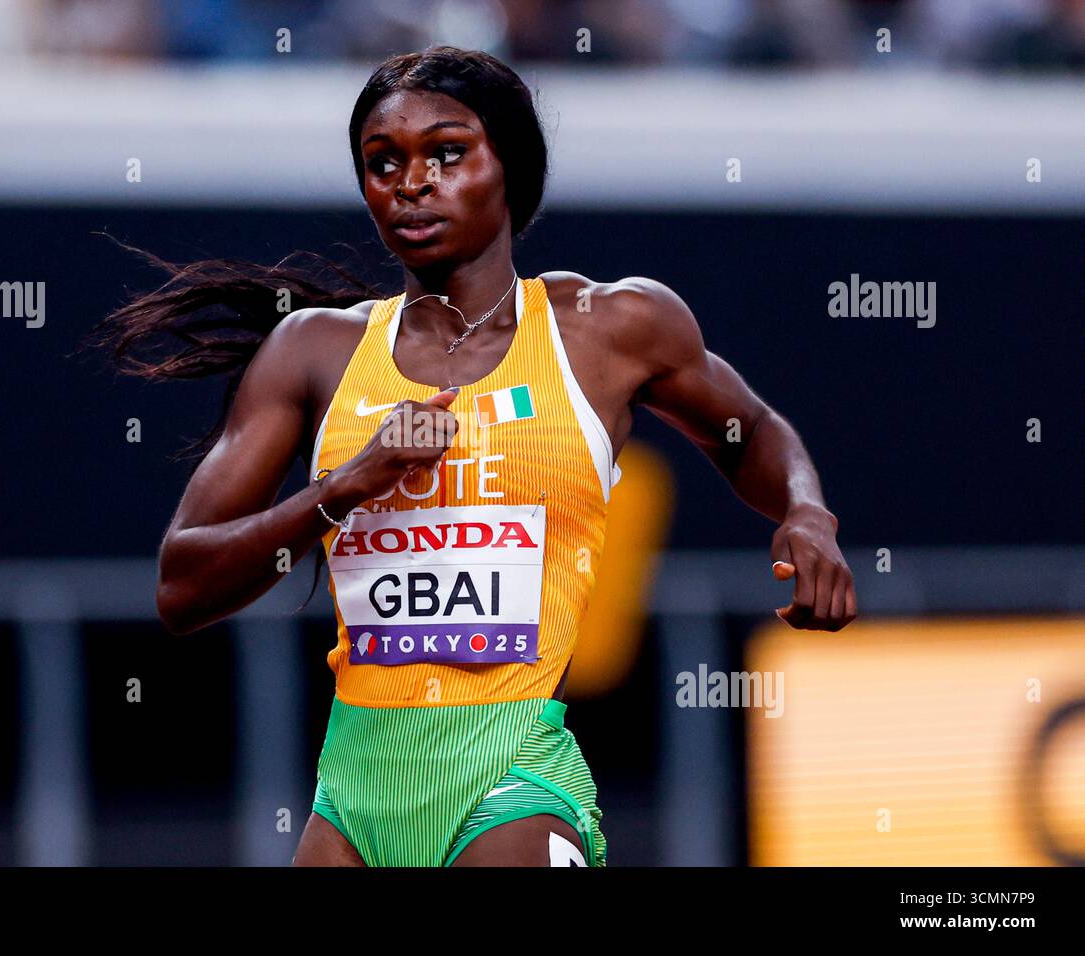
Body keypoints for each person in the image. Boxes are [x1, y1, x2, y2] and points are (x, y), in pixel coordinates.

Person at [92, 46, 856, 867]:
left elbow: (751, 430)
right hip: (352, 799)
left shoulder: (609, 327)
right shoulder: (312, 351)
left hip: (513, 779)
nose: (411, 183)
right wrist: (350, 483)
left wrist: (805, 512)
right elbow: (182, 586)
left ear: (512, 167)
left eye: (447, 154)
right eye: (382, 163)